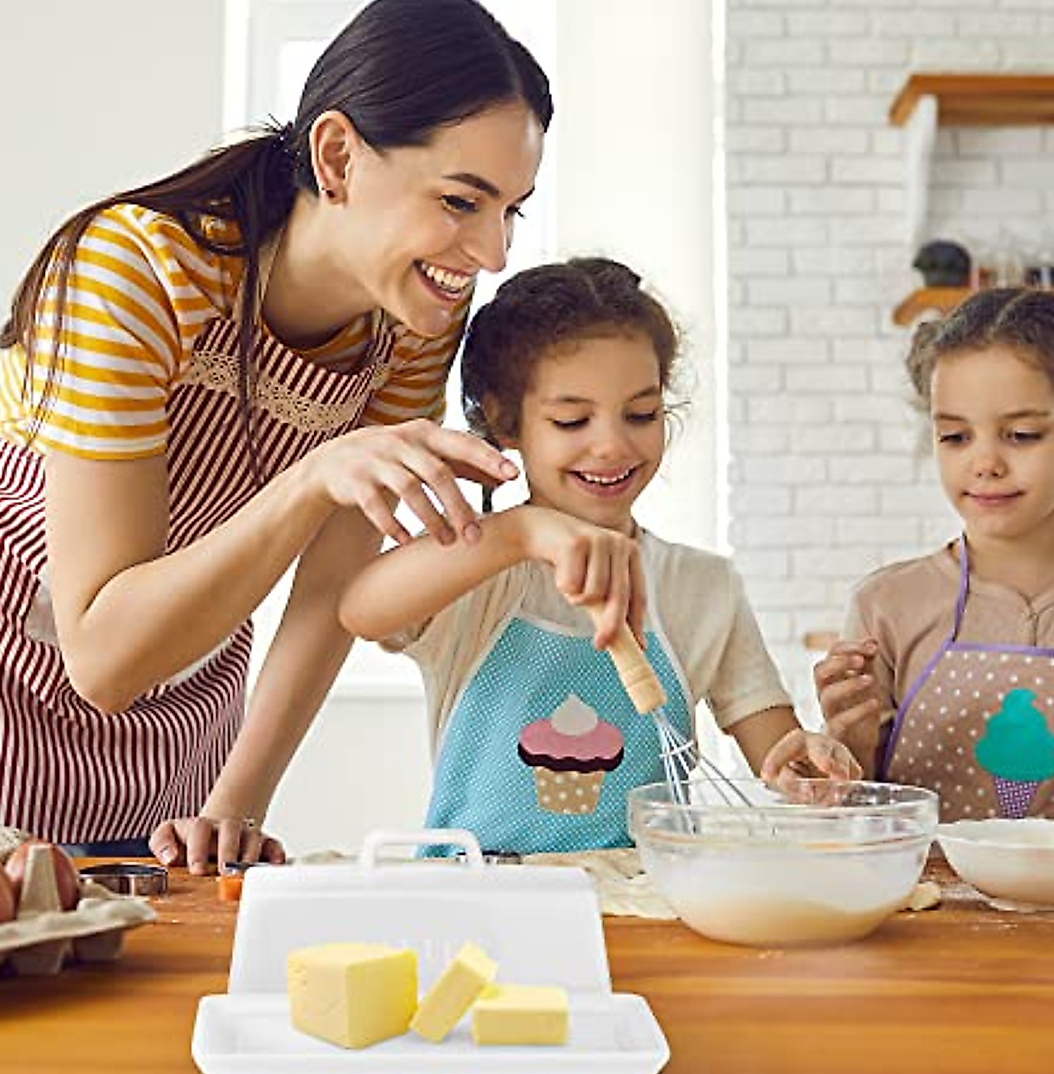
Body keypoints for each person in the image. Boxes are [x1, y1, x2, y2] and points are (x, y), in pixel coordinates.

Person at [0, 0, 552, 868]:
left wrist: (234, 804)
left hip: (175, 728)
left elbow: (331, 593)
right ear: (338, 156)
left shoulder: (408, 324)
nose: (492, 254)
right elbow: (99, 653)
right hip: (1, 690)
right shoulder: (137, 269)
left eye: (510, 210)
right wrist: (314, 476)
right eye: (459, 202)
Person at [336, 257, 859, 855]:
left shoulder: (701, 586)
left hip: (641, 899)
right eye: (571, 419)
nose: (612, 444)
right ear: (507, 421)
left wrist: (805, 760)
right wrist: (520, 533)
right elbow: (360, 609)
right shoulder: (477, 571)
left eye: (641, 414)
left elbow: (777, 749)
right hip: (479, 895)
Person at [814, 288, 1054, 832]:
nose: (985, 462)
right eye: (955, 436)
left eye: (1021, 435)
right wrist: (848, 747)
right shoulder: (885, 605)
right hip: (932, 914)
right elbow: (860, 824)